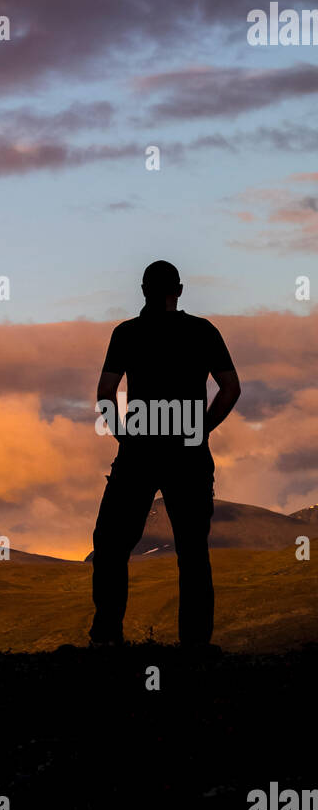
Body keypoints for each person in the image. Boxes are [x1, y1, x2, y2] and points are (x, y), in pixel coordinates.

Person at [89, 261, 240, 647]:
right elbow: (230, 388)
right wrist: (202, 428)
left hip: (139, 450)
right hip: (188, 453)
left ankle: (106, 638)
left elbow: (106, 392)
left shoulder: (126, 333)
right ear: (181, 290)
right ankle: (195, 648)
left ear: (143, 290)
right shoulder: (203, 331)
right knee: (192, 552)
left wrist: (123, 434)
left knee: (111, 544)